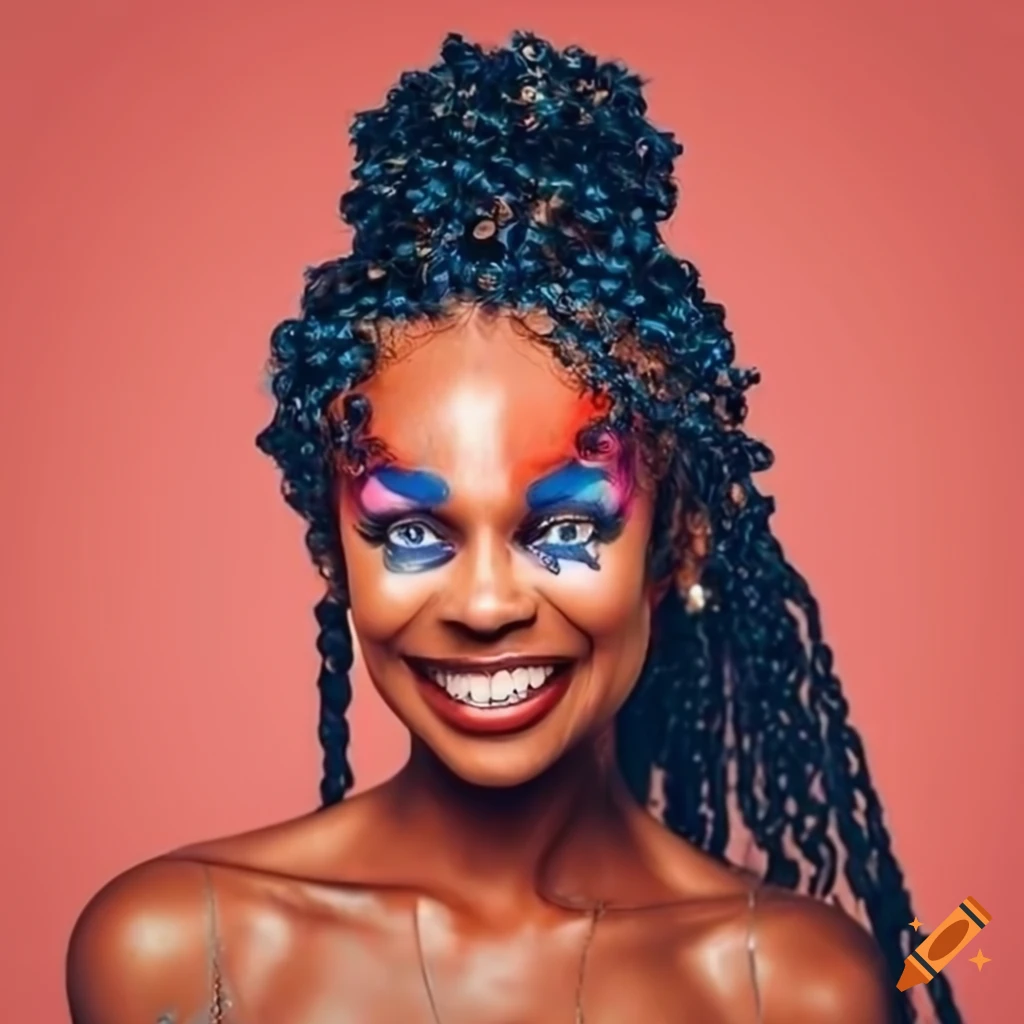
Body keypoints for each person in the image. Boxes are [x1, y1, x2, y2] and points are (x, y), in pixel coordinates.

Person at [65, 31, 963, 1024]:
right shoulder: (177, 949)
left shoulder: (791, 987)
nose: (486, 604)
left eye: (568, 532)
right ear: (333, 554)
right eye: (411, 534)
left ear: (677, 544)